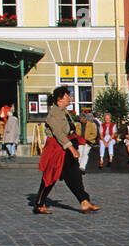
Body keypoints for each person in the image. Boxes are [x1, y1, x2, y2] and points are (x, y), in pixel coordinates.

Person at [34, 86, 100, 215]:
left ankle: (84, 201)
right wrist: (71, 148)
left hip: (65, 147)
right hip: (58, 148)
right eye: (67, 96)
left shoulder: (64, 111)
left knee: (74, 174)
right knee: (50, 176)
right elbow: (58, 133)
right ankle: (39, 203)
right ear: (60, 98)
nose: (70, 98)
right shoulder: (54, 112)